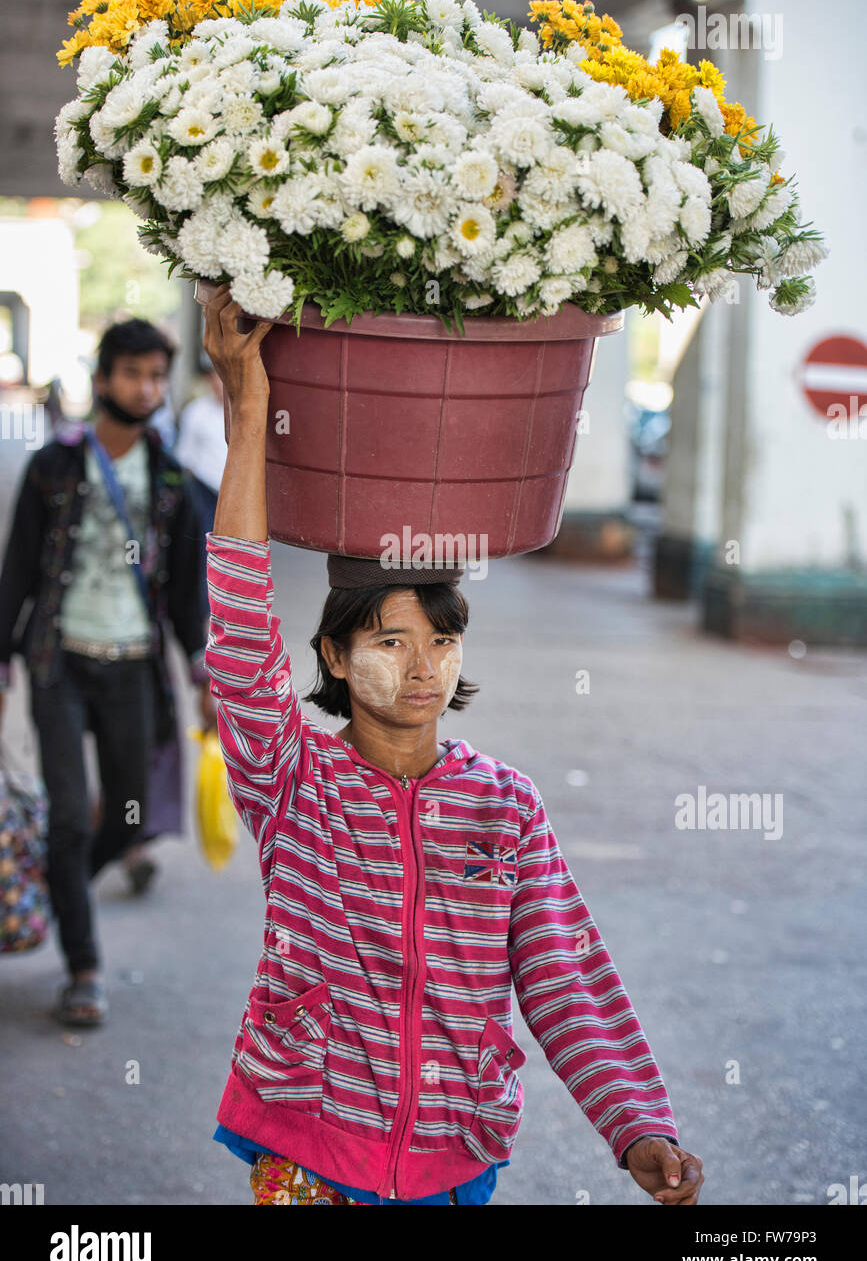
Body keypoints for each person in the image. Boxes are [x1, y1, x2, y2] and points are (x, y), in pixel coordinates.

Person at [201, 286, 705, 1207]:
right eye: (390, 642)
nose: (422, 667)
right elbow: (237, 638)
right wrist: (246, 408)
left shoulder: (504, 806)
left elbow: (563, 970)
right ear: (336, 657)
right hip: (309, 1150)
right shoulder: (294, 781)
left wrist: (637, 1125)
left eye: (440, 639)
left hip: (455, 1157)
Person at [0, 316, 217, 1027]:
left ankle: (60, 886)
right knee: (69, 817)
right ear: (103, 380)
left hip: (133, 672)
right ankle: (84, 967)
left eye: (157, 375)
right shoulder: (54, 467)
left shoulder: (172, 481)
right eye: (133, 373)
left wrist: (202, 672)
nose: (147, 387)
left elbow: (187, 594)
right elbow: (18, 573)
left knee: (126, 818)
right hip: (59, 663)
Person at [173, 354, 228, 617]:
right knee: (205, 555)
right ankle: (205, 613)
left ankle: (230, 612)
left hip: (233, 496)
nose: (220, 383)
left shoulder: (245, 410)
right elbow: (184, 458)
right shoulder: (197, 412)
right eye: (215, 376)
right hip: (204, 493)